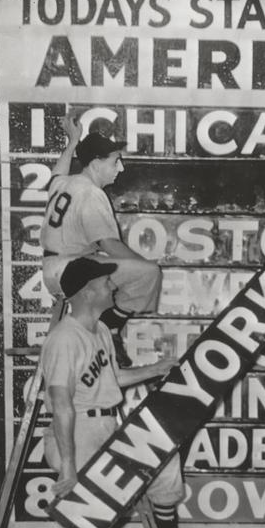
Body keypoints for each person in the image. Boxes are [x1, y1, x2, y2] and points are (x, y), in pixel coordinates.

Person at [42, 257, 207, 528]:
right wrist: (69, 465)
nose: (112, 287)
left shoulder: (97, 330)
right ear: (87, 292)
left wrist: (156, 368)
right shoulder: (64, 339)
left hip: (102, 422)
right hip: (75, 432)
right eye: (104, 283)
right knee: (81, 515)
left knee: (163, 460)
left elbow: (110, 376)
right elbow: (62, 405)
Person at [40, 114, 162, 367]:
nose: (121, 168)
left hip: (54, 270)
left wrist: (73, 141)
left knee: (115, 271)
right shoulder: (92, 194)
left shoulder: (64, 183)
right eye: (116, 161)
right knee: (149, 273)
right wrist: (143, 266)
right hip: (71, 272)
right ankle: (107, 329)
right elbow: (109, 245)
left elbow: (56, 173)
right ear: (96, 163)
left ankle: (106, 326)